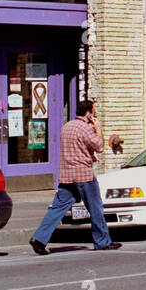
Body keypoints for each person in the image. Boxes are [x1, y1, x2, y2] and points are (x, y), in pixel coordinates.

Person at [29, 99, 121, 253]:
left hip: (66, 175)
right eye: (94, 110)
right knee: (96, 208)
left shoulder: (67, 126)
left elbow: (76, 148)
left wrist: (89, 155)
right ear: (89, 113)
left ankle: (39, 239)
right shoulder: (85, 128)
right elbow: (99, 146)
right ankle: (103, 241)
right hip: (83, 175)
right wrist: (98, 129)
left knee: (57, 208)